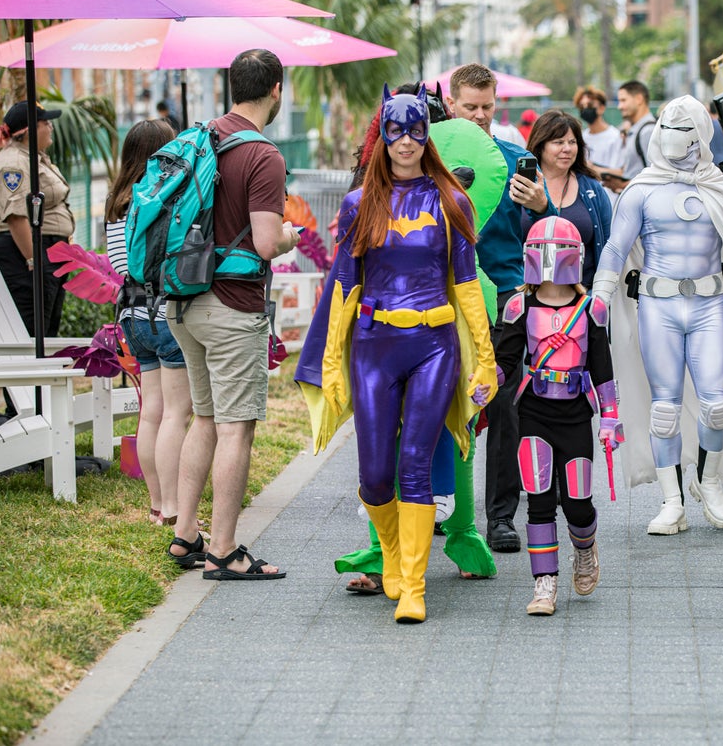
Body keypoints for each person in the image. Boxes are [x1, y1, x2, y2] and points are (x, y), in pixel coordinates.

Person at [296, 84, 496, 622]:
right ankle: (390, 554)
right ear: (382, 137)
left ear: (426, 135)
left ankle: (413, 586)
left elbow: (468, 285)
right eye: (395, 130)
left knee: (414, 465)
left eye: (415, 130)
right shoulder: (360, 203)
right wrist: (332, 363)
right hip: (374, 345)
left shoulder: (452, 199)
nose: (406, 141)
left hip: (434, 342)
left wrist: (486, 357)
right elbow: (343, 286)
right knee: (374, 473)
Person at [593, 95, 723, 535]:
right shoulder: (642, 188)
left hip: (709, 303)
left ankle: (709, 482)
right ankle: (672, 499)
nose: (675, 141)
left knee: (718, 403)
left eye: (684, 132)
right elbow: (616, 247)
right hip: (658, 305)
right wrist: (601, 291)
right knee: (664, 408)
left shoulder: (720, 188)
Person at [165, 49, 300, 581]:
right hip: (231, 306)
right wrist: (291, 236)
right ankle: (223, 551)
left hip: (183, 301)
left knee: (204, 417)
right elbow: (266, 243)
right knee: (236, 429)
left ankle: (186, 537)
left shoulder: (201, 138)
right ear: (276, 90)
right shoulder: (263, 155)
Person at [480, 216, 622, 615]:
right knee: (539, 500)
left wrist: (610, 416)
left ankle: (585, 547)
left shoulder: (590, 308)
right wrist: (484, 382)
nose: (549, 257)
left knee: (577, 503)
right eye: (540, 250)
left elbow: (601, 366)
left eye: (556, 250)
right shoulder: (518, 304)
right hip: (534, 413)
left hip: (576, 413)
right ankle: (545, 584)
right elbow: (505, 360)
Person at [446, 62, 557, 553]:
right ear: (450, 105)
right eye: (470, 107)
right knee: (440, 404)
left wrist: (540, 207)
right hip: (444, 298)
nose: (480, 116)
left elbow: (551, 237)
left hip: (507, 301)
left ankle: (500, 518)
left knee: (508, 407)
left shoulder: (515, 160)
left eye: (487, 107)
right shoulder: (429, 157)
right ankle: (442, 507)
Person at [104, 119, 191, 527]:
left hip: (132, 317)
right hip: (164, 314)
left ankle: (157, 506)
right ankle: (174, 508)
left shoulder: (116, 200)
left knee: (151, 411)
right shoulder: (163, 198)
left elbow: (121, 265)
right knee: (177, 413)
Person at [0, 101, 72, 342]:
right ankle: (27, 381)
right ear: (29, 131)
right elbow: (15, 216)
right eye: (45, 123)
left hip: (43, 251)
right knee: (31, 331)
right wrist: (34, 260)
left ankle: (40, 380)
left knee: (46, 329)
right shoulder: (13, 163)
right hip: (23, 253)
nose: (51, 128)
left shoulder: (34, 158)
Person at [515, 110, 612, 289]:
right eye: (558, 142)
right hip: (529, 297)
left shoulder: (592, 189)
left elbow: (609, 245)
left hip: (583, 298)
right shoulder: (520, 187)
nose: (567, 149)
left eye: (572, 142)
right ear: (540, 145)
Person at [572, 85, 624, 181]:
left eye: (590, 105)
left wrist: (592, 169)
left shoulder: (615, 137)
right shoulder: (581, 137)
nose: (585, 109)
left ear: (602, 108)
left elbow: (620, 172)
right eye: (581, 106)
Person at [616, 80, 655, 189]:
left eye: (623, 100)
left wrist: (623, 186)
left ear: (639, 99)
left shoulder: (648, 131)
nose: (620, 106)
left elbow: (655, 176)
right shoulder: (636, 130)